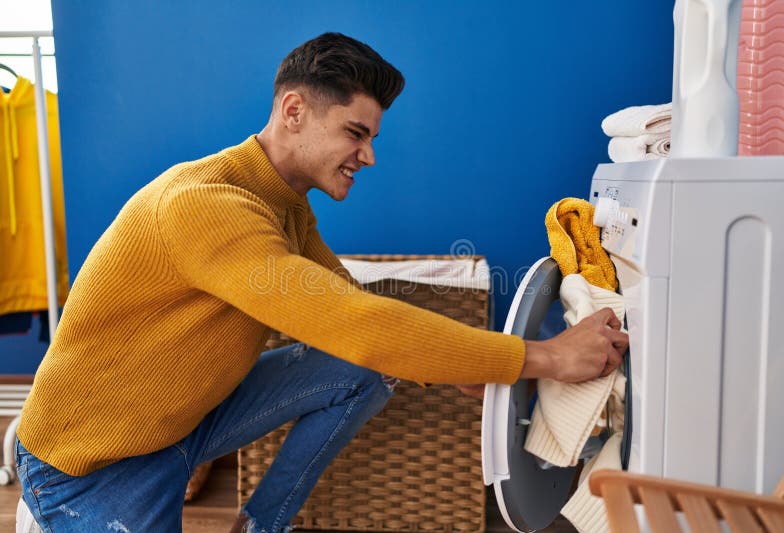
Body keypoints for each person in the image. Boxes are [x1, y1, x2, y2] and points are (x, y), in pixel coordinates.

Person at [15, 32, 628, 533]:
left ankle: (260, 526)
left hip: (180, 423)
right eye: (355, 133)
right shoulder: (207, 206)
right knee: (366, 347)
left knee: (365, 368)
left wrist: (466, 367)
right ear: (294, 112)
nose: (369, 156)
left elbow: (351, 312)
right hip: (92, 466)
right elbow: (361, 326)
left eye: (372, 138)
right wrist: (545, 357)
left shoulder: (285, 205)